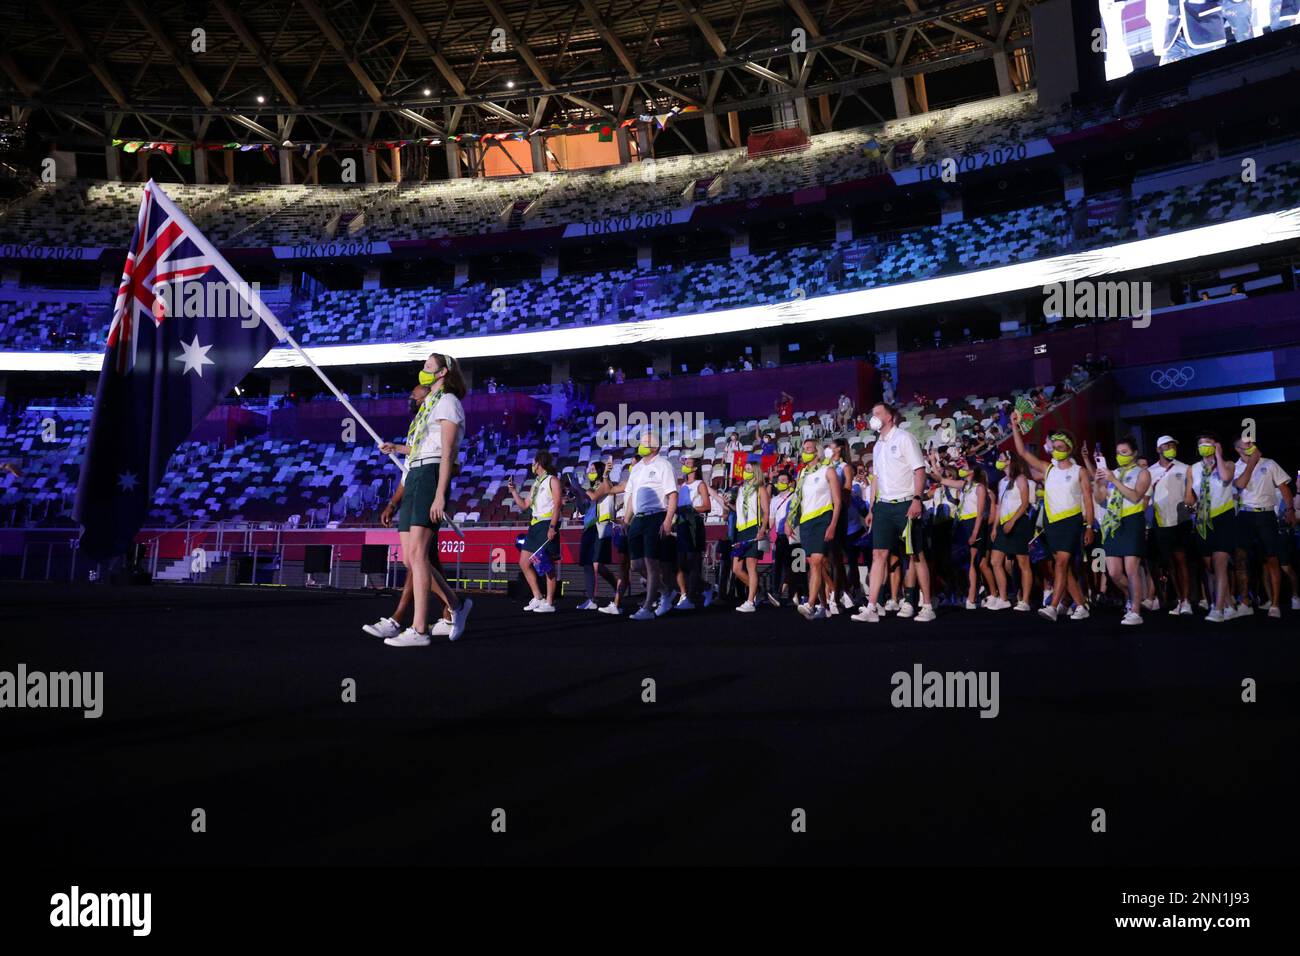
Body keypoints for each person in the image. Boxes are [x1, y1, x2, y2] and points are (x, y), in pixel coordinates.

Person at [377, 353, 472, 646]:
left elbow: (446, 453)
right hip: (415, 471)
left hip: (430, 475)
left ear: (443, 372)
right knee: (410, 558)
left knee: (418, 555)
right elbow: (422, 445)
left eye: (428, 367)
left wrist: (440, 495)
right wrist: (398, 448)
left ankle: (419, 629)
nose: (423, 371)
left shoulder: (448, 403)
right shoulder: (428, 405)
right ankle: (456, 604)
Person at [853, 403, 935, 623]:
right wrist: (872, 507)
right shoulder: (878, 445)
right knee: (878, 554)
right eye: (873, 414)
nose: (874, 417)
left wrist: (917, 499)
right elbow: (877, 478)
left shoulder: (904, 438)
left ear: (890, 417)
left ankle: (926, 605)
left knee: (915, 554)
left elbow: (919, 470)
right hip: (884, 506)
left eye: (878, 413)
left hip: (906, 503)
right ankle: (872, 606)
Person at [1010, 411, 1095, 622]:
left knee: (1061, 563)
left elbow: (1087, 499)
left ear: (1069, 448)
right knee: (1062, 567)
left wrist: (1089, 526)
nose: (1056, 451)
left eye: (1060, 447)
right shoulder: (1048, 469)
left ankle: (1053, 606)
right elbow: (1022, 452)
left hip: (1072, 521)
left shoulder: (1079, 471)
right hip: (1052, 522)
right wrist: (1014, 426)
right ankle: (1081, 606)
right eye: (1054, 447)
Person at [1232, 436, 1294, 619]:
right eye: (1246, 444)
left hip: (1266, 514)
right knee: (1241, 557)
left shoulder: (1270, 463)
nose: (1250, 445)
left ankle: (1274, 604)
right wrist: (1251, 462)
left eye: (1252, 442)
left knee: (1271, 558)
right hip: (1244, 515)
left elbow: (1284, 488)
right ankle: (1245, 602)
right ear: (1237, 449)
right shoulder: (1234, 467)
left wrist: (1290, 508)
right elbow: (1241, 484)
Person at [621, 430, 678, 620]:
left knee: (651, 562)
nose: (641, 444)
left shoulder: (664, 465)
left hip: (655, 516)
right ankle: (665, 592)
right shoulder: (636, 468)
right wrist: (626, 519)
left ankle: (647, 608)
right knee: (636, 565)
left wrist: (668, 520)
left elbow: (672, 494)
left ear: (655, 446)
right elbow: (631, 496)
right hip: (638, 518)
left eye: (646, 442)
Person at [1095, 436, 1152, 626]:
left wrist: (1114, 480)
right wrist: (1098, 482)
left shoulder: (1142, 473)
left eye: (1124, 452)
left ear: (1134, 453)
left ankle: (1136, 611)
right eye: (1118, 453)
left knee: (1131, 568)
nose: (1120, 456)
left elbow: (1136, 496)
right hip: (1113, 522)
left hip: (1132, 520)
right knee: (1114, 572)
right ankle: (1133, 596)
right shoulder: (1113, 472)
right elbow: (1100, 498)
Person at [1186, 432, 1237, 621]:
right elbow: (1189, 496)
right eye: (1200, 444)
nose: (1203, 446)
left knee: (1220, 563)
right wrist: (1189, 506)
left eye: (1207, 443)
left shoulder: (1228, 464)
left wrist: (1218, 456)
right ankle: (1230, 605)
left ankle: (1218, 609)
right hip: (1203, 520)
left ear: (1216, 445)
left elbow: (1225, 477)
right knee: (1209, 566)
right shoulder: (1193, 468)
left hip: (1224, 517)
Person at [792, 438, 843, 620]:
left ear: (817, 451)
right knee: (815, 564)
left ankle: (810, 604)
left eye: (809, 448)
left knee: (816, 561)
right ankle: (823, 604)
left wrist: (833, 525)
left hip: (822, 519)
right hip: (806, 522)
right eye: (804, 448)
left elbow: (837, 501)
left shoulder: (827, 471)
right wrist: (790, 522)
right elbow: (797, 500)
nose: (805, 451)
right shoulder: (802, 474)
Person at [509, 450, 563, 612]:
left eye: (534, 462)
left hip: (547, 524)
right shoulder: (536, 483)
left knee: (547, 565)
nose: (532, 465)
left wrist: (553, 527)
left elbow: (558, 505)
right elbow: (524, 506)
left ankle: (549, 603)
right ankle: (537, 597)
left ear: (539, 463)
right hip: (534, 526)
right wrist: (513, 491)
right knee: (524, 562)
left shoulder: (552, 480)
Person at [1148, 436, 1195, 615]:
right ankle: (1179, 600)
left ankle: (1186, 602)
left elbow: (1192, 493)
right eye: (1167, 446)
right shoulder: (1150, 471)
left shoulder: (1185, 468)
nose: (1171, 448)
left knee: (1181, 559)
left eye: (1173, 446)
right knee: (1169, 563)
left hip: (1181, 520)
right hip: (1161, 522)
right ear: (1158, 449)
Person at [990, 449, 1035, 611]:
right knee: (995, 561)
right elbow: (999, 506)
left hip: (1018, 523)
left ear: (1009, 460)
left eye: (1001, 458)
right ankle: (1003, 598)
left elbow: (1024, 504)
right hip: (1003, 524)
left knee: (1023, 563)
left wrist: (1012, 521)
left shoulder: (1021, 479)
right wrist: (995, 527)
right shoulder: (1002, 482)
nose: (999, 460)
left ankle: (1025, 601)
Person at [576, 460, 622, 611]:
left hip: (601, 525)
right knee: (590, 564)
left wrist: (579, 488)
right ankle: (592, 598)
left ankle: (616, 588)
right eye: (589, 469)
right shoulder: (591, 487)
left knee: (597, 564)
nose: (590, 471)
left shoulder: (605, 483)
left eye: (593, 469)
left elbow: (594, 496)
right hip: (589, 526)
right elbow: (583, 509)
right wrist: (577, 494)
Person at [731, 461, 770, 612]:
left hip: (754, 528)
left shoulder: (760, 489)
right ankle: (758, 591)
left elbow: (766, 511)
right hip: (741, 530)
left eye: (748, 469)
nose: (745, 471)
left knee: (751, 566)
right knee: (736, 568)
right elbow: (739, 510)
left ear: (755, 472)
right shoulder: (740, 490)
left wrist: (762, 529)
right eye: (745, 469)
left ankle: (750, 601)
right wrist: (729, 504)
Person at [674, 456, 711, 609]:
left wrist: (691, 509)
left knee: (692, 561)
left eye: (688, 463)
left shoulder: (700, 484)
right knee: (680, 563)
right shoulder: (682, 486)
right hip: (681, 524)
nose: (684, 465)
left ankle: (690, 597)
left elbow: (707, 506)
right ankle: (703, 589)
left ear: (695, 468)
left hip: (694, 523)